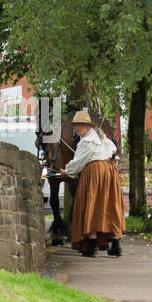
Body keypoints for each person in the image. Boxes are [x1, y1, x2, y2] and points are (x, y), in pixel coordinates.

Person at [62, 110, 124, 257]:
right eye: (75, 126)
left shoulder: (86, 142)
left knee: (92, 206)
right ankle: (115, 246)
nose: (76, 129)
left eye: (79, 126)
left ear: (87, 126)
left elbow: (78, 163)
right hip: (110, 173)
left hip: (95, 174)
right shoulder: (102, 138)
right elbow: (114, 150)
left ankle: (92, 247)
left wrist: (67, 171)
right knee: (109, 207)